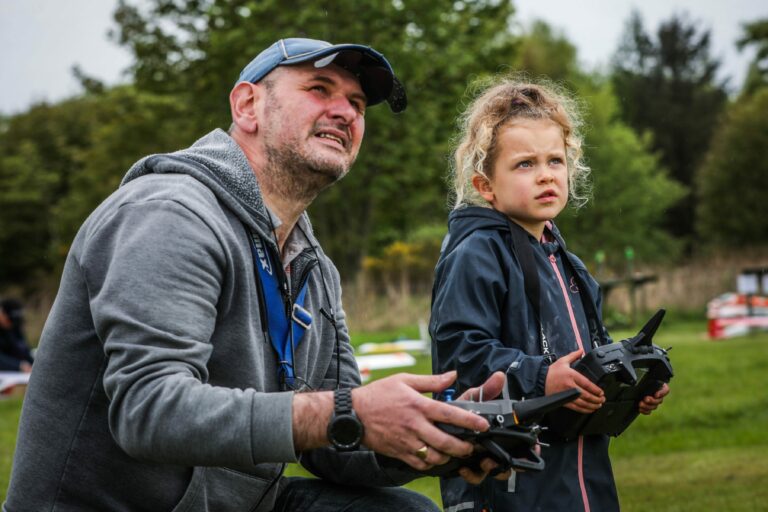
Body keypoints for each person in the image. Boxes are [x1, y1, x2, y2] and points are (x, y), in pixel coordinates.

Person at [4, 38, 506, 512]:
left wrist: (434, 436)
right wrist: (344, 412)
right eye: (319, 89)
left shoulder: (313, 266)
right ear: (247, 106)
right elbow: (149, 410)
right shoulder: (170, 214)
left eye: (357, 102)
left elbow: (335, 443)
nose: (346, 112)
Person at [429, 77, 671, 512]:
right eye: (525, 164)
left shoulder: (569, 264)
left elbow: (590, 359)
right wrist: (541, 378)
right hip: (509, 478)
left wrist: (631, 386)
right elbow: (460, 358)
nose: (545, 175)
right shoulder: (476, 253)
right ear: (486, 185)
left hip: (585, 478)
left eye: (555, 161)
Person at [0, 298, 34, 374]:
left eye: (15, 321)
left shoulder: (14, 326)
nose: (11, 324)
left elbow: (22, 349)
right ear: (1, 313)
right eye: (9, 320)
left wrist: (34, 364)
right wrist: (18, 365)